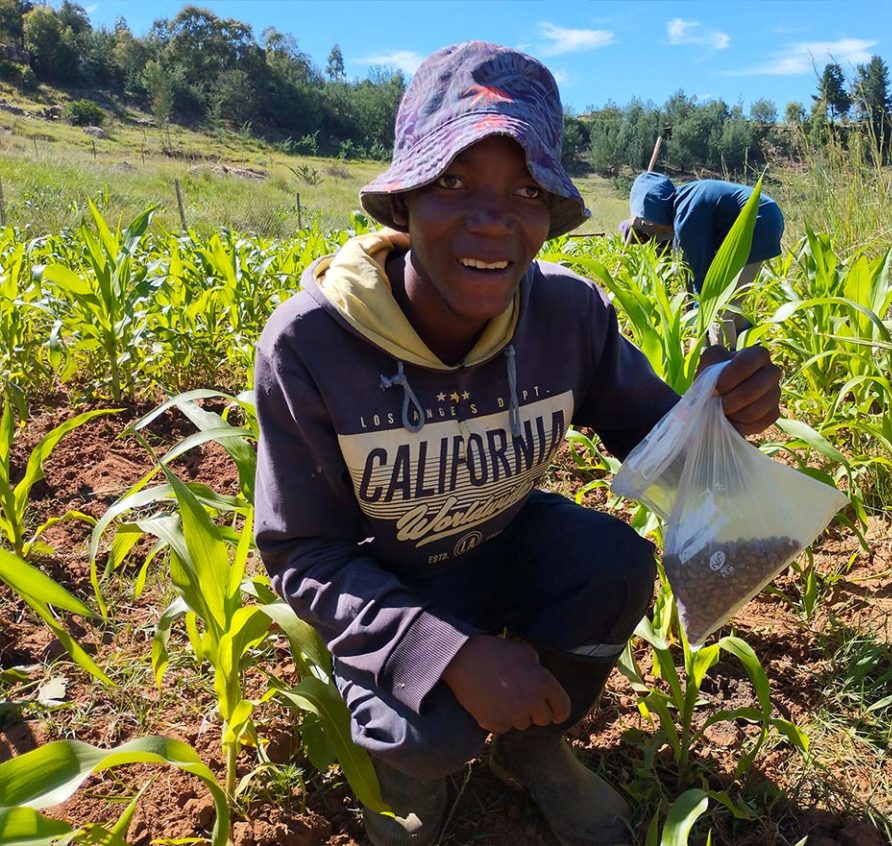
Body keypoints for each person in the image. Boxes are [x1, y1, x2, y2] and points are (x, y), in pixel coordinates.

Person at [253, 41, 782, 846]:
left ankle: (534, 749)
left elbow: (655, 441)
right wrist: (450, 653)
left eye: (527, 189)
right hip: (388, 577)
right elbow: (304, 554)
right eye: (453, 182)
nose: (492, 217)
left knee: (613, 566)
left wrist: (719, 417)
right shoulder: (313, 345)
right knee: (433, 734)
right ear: (403, 202)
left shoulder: (567, 315)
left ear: (549, 213)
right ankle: (408, 771)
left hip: (500, 536)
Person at [622, 172, 785, 345]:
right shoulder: (683, 202)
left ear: (657, 212)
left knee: (719, 307)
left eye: (651, 224)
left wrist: (696, 326)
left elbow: (704, 277)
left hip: (758, 220)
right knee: (731, 305)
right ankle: (753, 347)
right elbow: (693, 272)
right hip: (764, 214)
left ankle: (725, 364)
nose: (654, 231)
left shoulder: (686, 217)